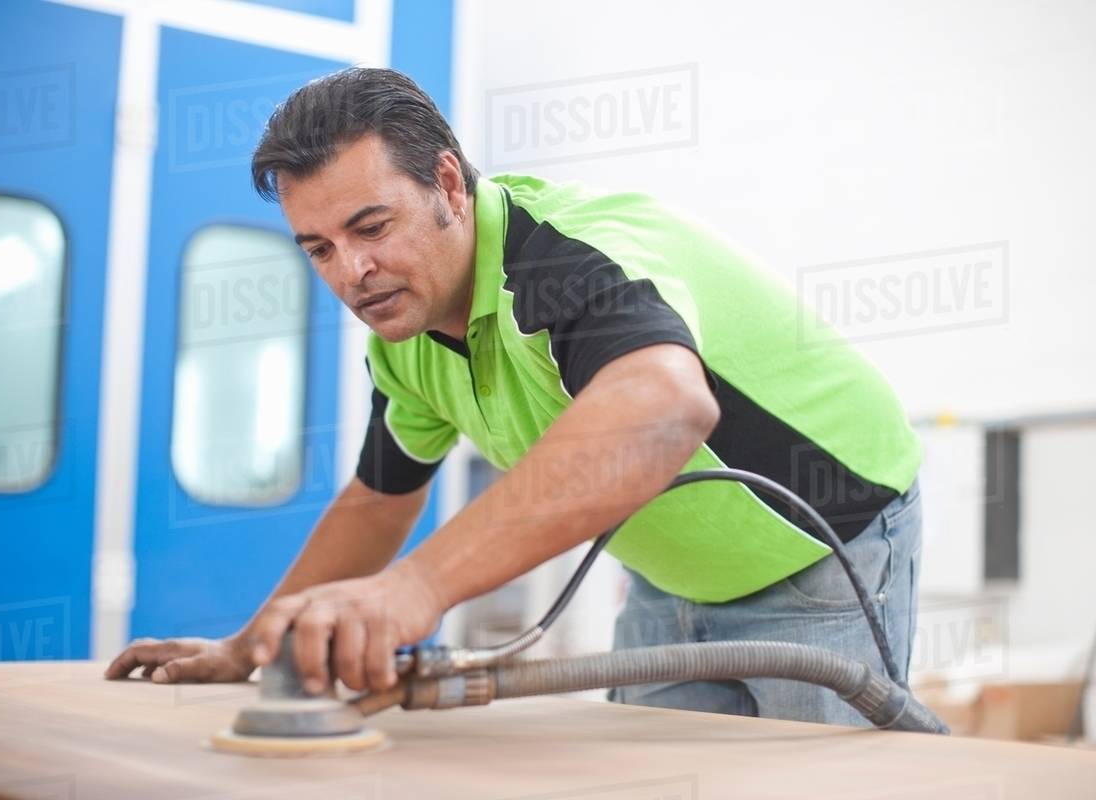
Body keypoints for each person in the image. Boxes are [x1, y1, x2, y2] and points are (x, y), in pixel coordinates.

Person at [105, 67, 923, 726]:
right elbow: (378, 503)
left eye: (371, 227)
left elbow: (666, 406)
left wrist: (414, 589)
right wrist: (253, 645)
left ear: (449, 186)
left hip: (829, 545)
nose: (350, 273)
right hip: (672, 576)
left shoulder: (558, 258)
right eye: (318, 247)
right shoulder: (408, 337)